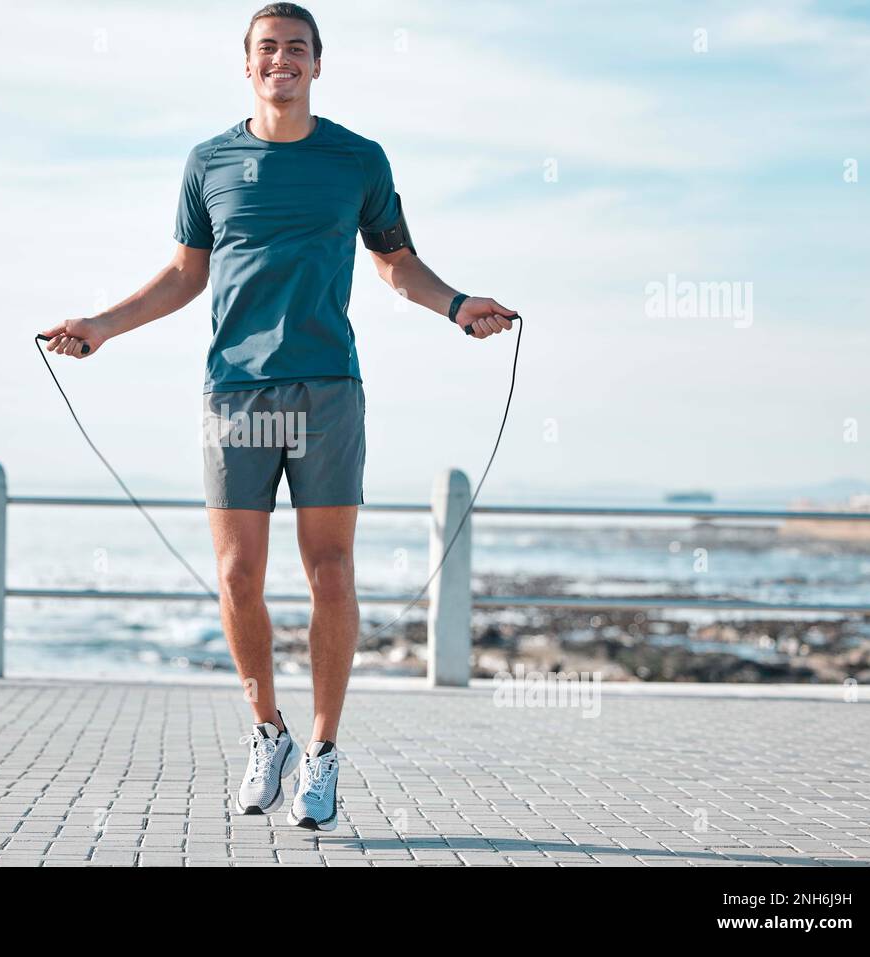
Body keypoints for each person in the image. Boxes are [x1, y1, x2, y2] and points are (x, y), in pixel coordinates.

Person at [40, 2, 515, 832]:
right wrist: (101, 326)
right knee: (236, 578)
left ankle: (324, 752)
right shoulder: (209, 162)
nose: (281, 61)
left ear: (318, 65)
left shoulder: (357, 160)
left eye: (297, 48)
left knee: (330, 572)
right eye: (268, 49)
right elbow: (185, 275)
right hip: (235, 391)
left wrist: (459, 304)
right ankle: (270, 732)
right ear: (248, 65)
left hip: (327, 388)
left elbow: (396, 264)